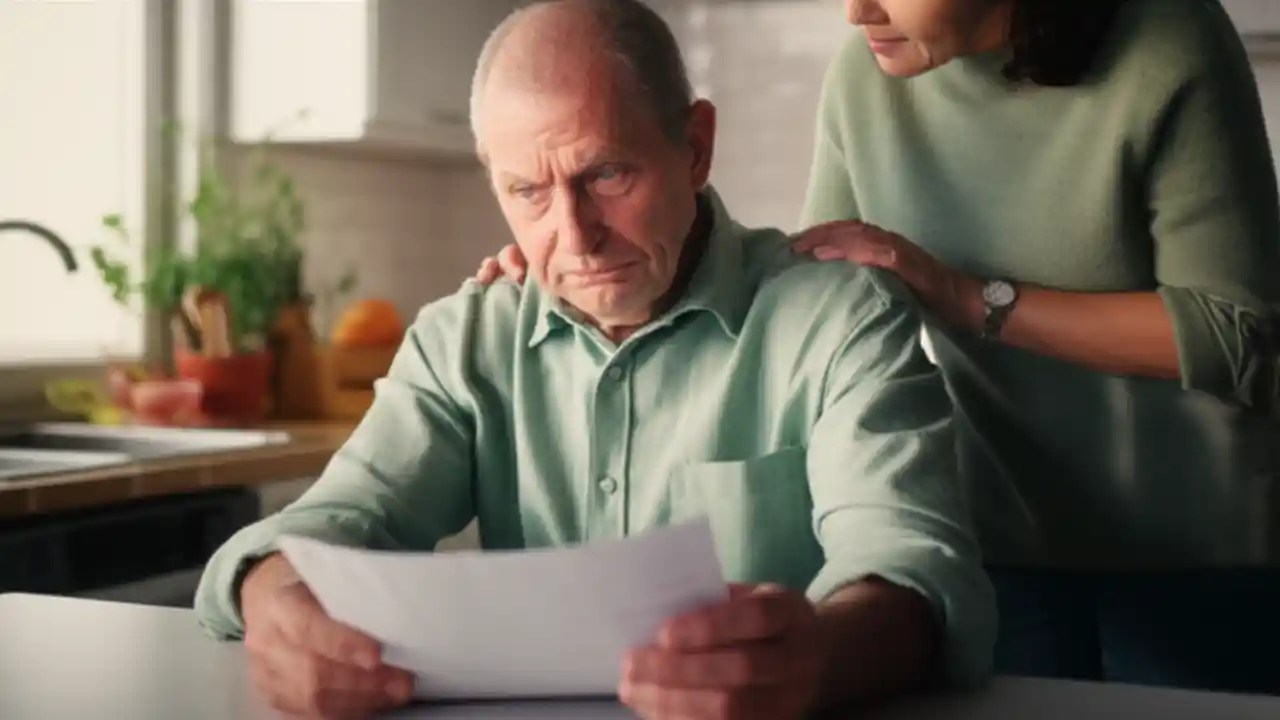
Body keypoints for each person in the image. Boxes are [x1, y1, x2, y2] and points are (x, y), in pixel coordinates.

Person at [194, 1, 996, 718]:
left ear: (696, 148)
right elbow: (334, 521)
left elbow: (913, 568)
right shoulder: (463, 341)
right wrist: (276, 600)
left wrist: (820, 657)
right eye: (528, 193)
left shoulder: (841, 318)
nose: (573, 240)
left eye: (606, 174)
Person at [479, 0, 1280, 695]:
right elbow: (807, 296)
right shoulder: (868, 75)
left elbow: (1233, 331)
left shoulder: (1170, 36)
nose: (856, 13)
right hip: (992, 548)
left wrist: (968, 299)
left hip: (1197, 556)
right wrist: (571, 265)